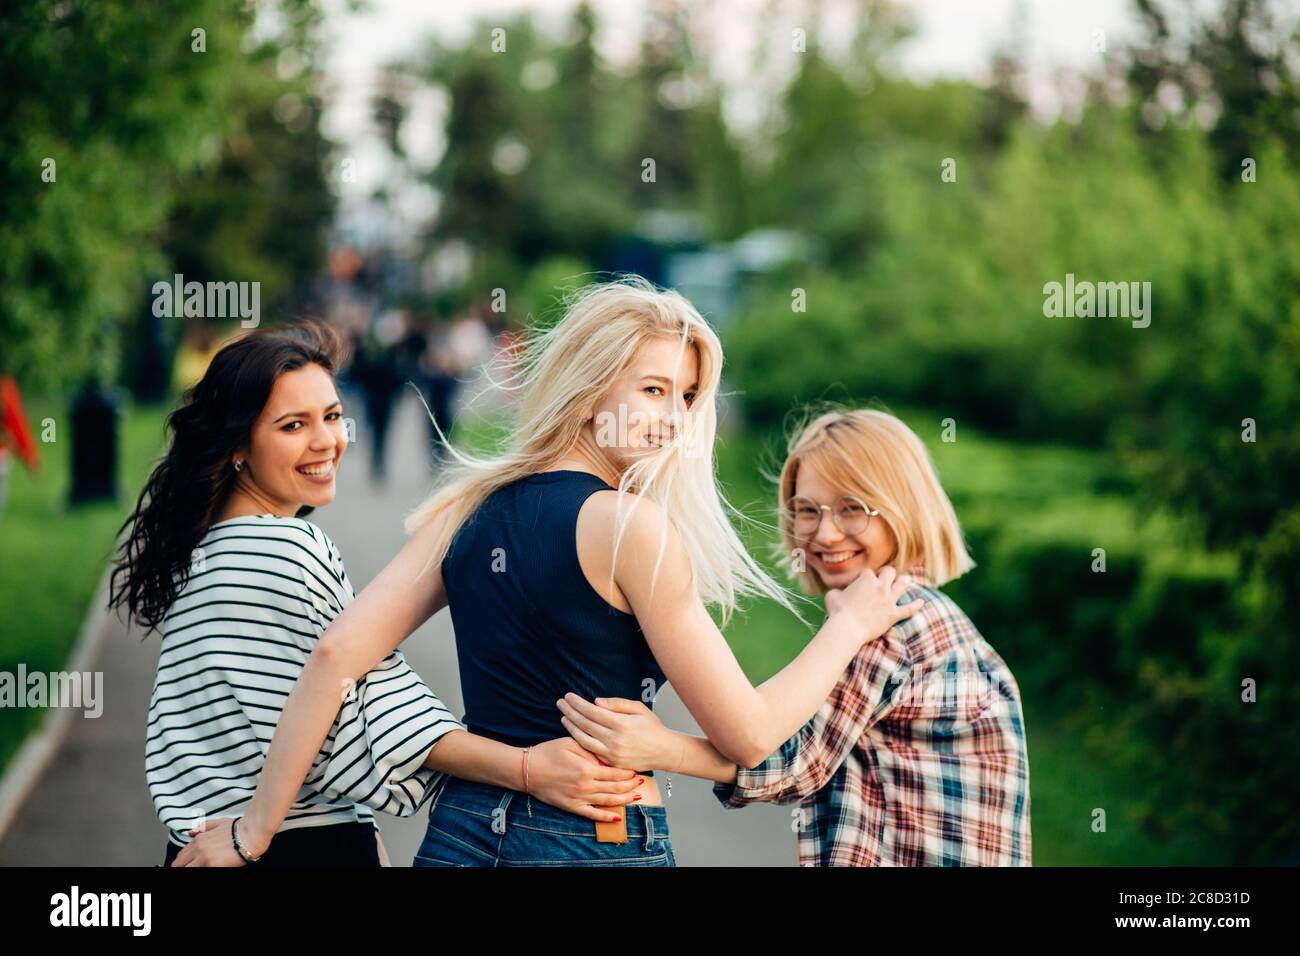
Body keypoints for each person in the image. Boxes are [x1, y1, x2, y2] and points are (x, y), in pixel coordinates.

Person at [177, 279, 919, 867]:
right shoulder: (632, 526)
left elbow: (337, 655)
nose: (674, 417)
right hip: (590, 839)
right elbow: (751, 735)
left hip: (461, 834)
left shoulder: (468, 506)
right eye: (653, 389)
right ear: (593, 389)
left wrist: (253, 832)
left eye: (688, 396)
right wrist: (848, 626)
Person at [109, 322, 641, 867]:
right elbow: (377, 715)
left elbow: (298, 727)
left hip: (200, 847)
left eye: (333, 417)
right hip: (286, 847)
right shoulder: (288, 548)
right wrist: (528, 768)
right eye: (294, 426)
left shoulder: (201, 553)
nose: (327, 442)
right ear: (239, 444)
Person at [559, 408, 1032, 866]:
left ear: (902, 509)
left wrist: (662, 746)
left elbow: (794, 761)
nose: (825, 534)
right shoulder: (919, 609)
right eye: (807, 510)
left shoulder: (892, 621)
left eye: (852, 509)